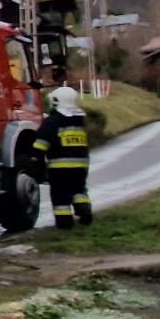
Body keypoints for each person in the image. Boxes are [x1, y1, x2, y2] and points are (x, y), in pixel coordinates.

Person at [34, 86, 93, 228]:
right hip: (81, 166)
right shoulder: (79, 120)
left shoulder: (52, 121)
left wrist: (35, 157)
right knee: (79, 190)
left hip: (59, 167)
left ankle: (64, 223)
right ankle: (85, 215)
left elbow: (41, 143)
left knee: (60, 195)